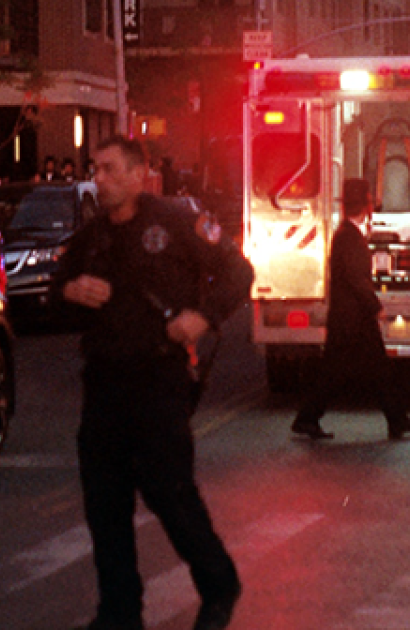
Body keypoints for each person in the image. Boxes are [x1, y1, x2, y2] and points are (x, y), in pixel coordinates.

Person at [54, 137, 252, 630]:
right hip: (104, 383)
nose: (99, 179)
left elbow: (237, 272)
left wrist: (202, 317)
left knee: (170, 493)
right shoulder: (92, 238)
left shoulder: (178, 223)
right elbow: (55, 297)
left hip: (158, 378)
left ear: (139, 174)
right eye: (95, 169)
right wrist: (70, 291)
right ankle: (119, 611)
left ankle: (218, 585)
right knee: (105, 502)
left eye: (111, 169)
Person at [291, 178, 410, 441]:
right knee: (341, 373)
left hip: (350, 319)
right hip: (352, 320)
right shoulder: (350, 238)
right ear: (365, 205)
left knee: (375, 370)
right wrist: (376, 307)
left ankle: (396, 420)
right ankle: (307, 418)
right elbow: (356, 279)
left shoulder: (347, 234)